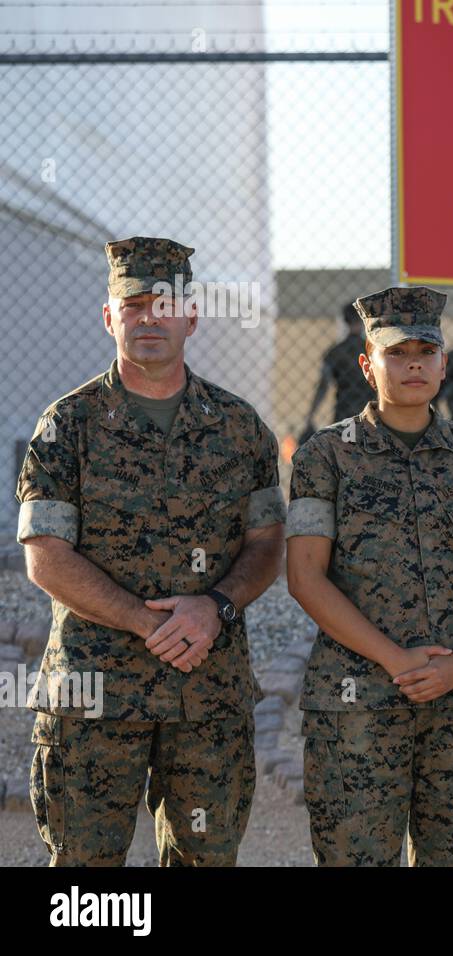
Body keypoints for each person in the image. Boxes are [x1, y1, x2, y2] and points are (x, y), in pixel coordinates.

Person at [15, 236, 285, 865]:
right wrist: (147, 621)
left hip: (207, 691)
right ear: (110, 317)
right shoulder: (68, 425)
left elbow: (267, 543)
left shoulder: (240, 427)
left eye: (164, 304)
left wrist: (213, 604)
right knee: (85, 873)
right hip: (94, 693)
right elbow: (45, 555)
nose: (148, 318)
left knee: (207, 856)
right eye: (132, 305)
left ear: (191, 317)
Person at [285, 286, 453, 867]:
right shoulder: (325, 457)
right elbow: (305, 577)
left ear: (444, 362)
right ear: (368, 365)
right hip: (357, 704)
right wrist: (395, 659)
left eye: (425, 350)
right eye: (396, 352)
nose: (413, 362)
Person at [302, 302, 370, 440]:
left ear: (345, 321)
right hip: (371, 414)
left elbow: (323, 387)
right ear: (364, 320)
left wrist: (310, 416)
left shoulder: (335, 352)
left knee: (343, 454)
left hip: (344, 415)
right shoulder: (373, 351)